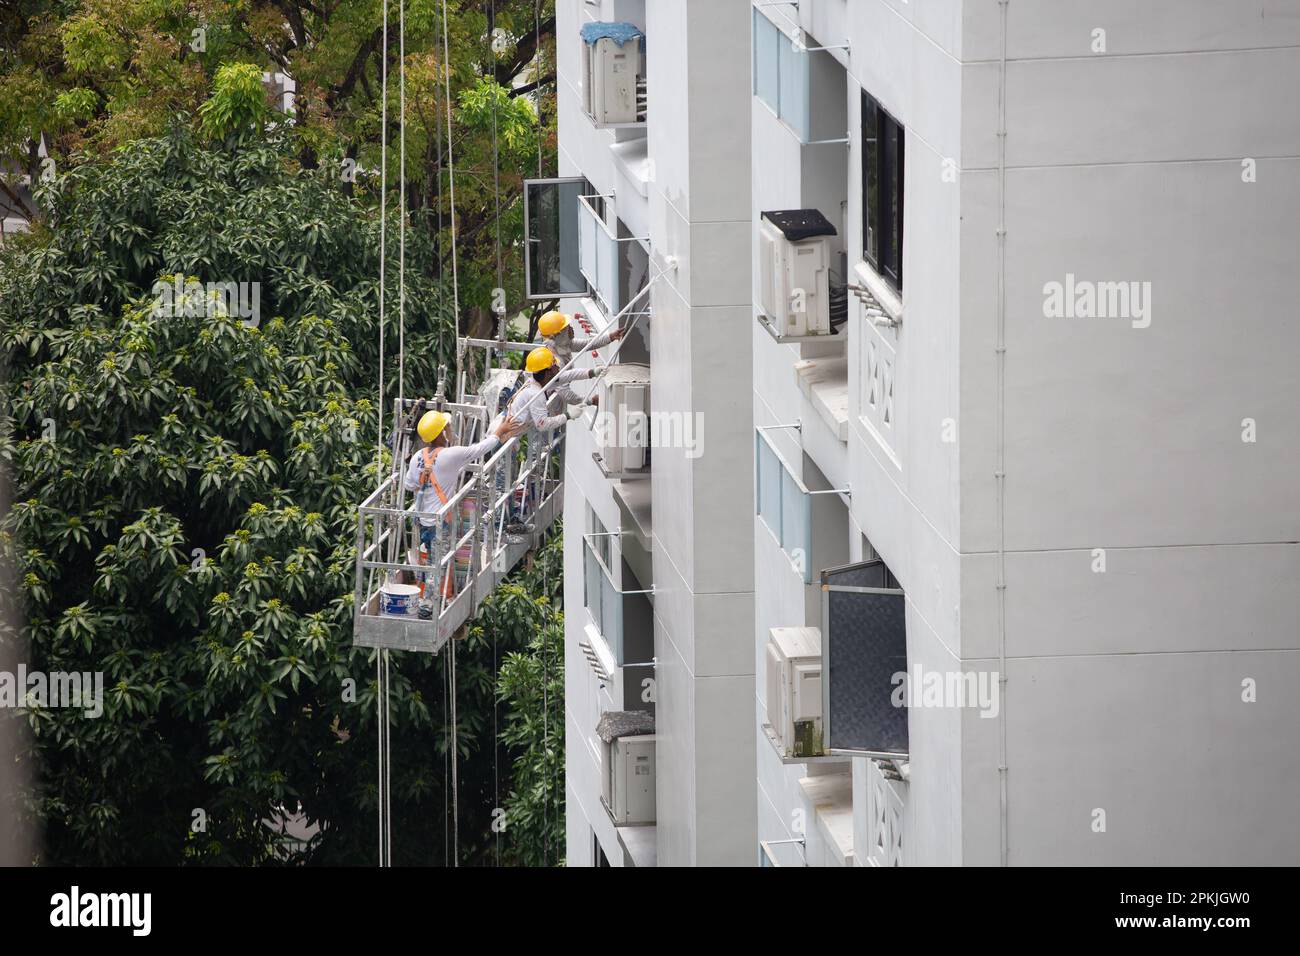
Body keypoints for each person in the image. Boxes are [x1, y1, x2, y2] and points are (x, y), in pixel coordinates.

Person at [404, 407, 523, 614]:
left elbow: (409, 485)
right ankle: (427, 605)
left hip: (423, 519)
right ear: (441, 433)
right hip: (441, 522)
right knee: (437, 563)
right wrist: (499, 431)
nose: (450, 430)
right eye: (447, 427)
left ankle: (431, 598)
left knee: (432, 558)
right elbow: (479, 449)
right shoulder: (451, 455)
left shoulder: (417, 458)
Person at [504, 346, 598, 536]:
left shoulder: (540, 382)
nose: (558, 368)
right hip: (504, 440)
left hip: (509, 437)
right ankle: (503, 525)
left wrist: (593, 372)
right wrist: (568, 416)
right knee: (504, 485)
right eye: (554, 366)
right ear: (547, 372)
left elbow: (568, 375)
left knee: (508, 481)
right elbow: (542, 424)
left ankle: (509, 520)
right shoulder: (536, 395)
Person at [538, 310, 626, 370]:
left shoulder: (561, 344)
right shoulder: (556, 361)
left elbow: (589, 344)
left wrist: (610, 337)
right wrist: (588, 398)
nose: (571, 329)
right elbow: (562, 391)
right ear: (558, 334)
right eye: (567, 327)